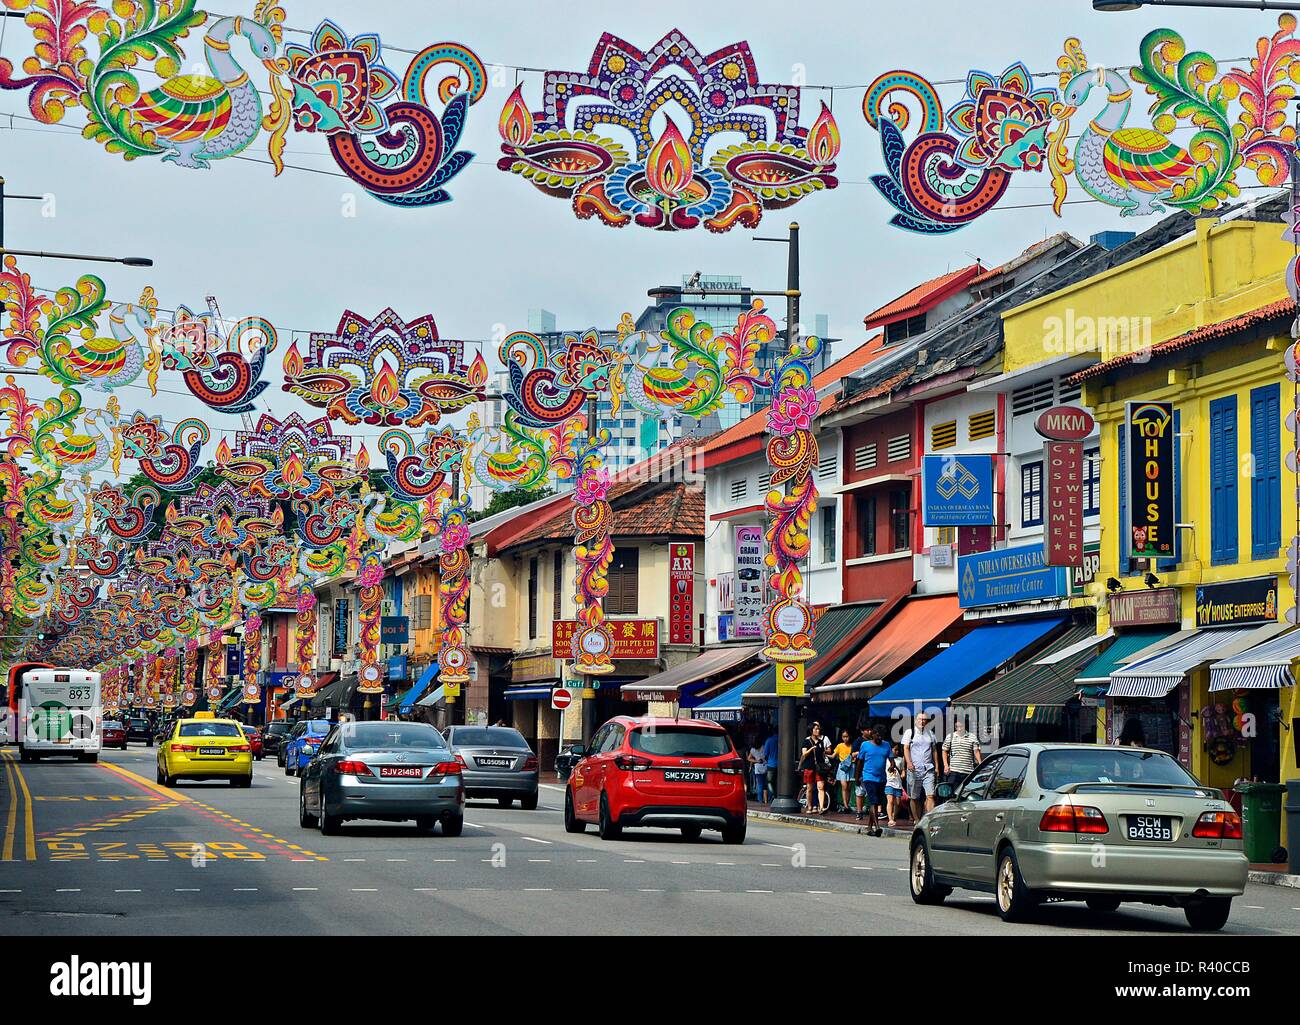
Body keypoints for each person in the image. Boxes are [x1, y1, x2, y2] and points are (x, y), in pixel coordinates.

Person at [902, 712, 938, 822]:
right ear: (915, 720)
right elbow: (906, 748)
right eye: (920, 719)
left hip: (928, 769)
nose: (922, 721)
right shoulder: (910, 732)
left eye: (924, 719)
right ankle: (917, 820)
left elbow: (934, 750)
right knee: (914, 797)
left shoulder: (931, 734)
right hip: (914, 769)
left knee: (931, 795)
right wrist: (909, 763)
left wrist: (937, 766)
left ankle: (928, 819)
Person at [855, 728, 891, 835]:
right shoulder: (865, 745)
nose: (879, 738)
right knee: (873, 801)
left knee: (876, 802)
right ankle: (877, 826)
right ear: (873, 734)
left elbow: (891, 759)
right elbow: (859, 762)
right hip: (868, 777)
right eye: (878, 735)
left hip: (881, 778)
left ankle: (869, 828)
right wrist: (857, 778)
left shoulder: (887, 745)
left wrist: (892, 766)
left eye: (881, 736)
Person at [941, 718, 982, 794]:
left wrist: (980, 764)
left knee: (966, 794)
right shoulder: (950, 736)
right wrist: (946, 765)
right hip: (954, 771)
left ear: (965, 726)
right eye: (957, 726)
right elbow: (944, 751)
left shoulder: (972, 737)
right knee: (952, 794)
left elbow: (976, 751)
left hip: (968, 771)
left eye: (961, 726)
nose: (959, 729)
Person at [799, 722, 831, 814]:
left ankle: (821, 807)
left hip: (819, 768)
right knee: (810, 788)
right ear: (811, 730)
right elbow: (804, 754)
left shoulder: (821, 742)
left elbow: (824, 753)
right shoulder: (806, 741)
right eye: (816, 729)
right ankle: (810, 807)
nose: (818, 730)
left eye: (818, 729)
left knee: (821, 787)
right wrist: (811, 749)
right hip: (809, 766)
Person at [884, 743, 906, 827]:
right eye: (894, 749)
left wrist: (903, 774)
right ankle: (890, 819)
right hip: (889, 783)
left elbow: (903, 769)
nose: (896, 751)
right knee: (890, 801)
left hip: (898, 783)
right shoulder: (886, 759)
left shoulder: (901, 760)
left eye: (897, 750)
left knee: (898, 802)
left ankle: (894, 817)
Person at [832, 729, 855, 813]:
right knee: (844, 786)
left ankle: (846, 804)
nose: (845, 738)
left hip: (851, 767)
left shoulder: (852, 746)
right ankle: (845, 805)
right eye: (844, 737)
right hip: (842, 767)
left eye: (847, 736)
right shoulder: (839, 746)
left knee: (848, 787)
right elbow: (833, 755)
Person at [761, 729, 780, 804]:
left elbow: (765, 754)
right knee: (779, 781)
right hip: (782, 765)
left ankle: (773, 795)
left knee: (769, 782)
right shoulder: (782, 739)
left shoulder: (769, 740)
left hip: (771, 764)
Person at [749, 738, 769, 803]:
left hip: (758, 767)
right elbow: (766, 755)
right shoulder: (764, 747)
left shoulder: (752, 750)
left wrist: (756, 761)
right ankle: (766, 800)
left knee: (760, 784)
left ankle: (760, 800)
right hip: (765, 766)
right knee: (765, 784)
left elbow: (749, 758)